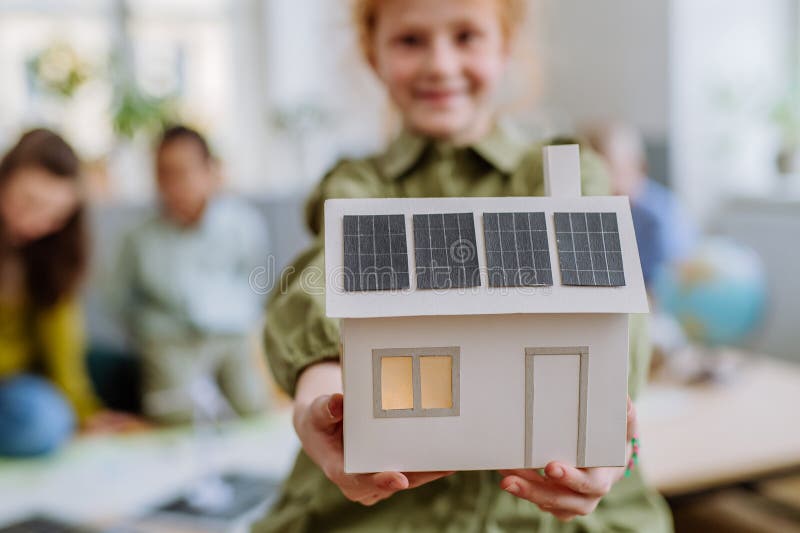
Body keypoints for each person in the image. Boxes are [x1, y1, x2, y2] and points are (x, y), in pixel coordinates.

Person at [253, 0, 673, 531]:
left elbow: (613, 305)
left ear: (506, 45)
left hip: (544, 512)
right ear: (372, 50)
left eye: (466, 36)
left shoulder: (562, 178)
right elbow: (320, 281)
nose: (440, 65)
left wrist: (611, 437)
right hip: (379, 512)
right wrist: (318, 390)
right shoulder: (358, 188)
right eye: (411, 40)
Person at [119, 125, 268, 425]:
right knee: (176, 415)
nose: (173, 184)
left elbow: (257, 283)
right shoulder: (138, 238)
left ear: (210, 172)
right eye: (164, 174)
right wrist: (151, 335)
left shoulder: (243, 225)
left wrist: (238, 320)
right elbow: (123, 301)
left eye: (183, 171)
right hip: (169, 340)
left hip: (231, 335)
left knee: (253, 408)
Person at [0, 129, 108, 457]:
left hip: (13, 385)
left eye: (54, 216)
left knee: (45, 420)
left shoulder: (52, 253)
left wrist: (85, 414)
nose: (35, 222)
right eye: (29, 202)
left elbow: (63, 344)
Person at [582, 121, 698, 286]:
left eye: (610, 168)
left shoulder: (661, 216)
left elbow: (672, 283)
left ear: (638, 165)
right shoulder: (595, 213)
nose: (601, 182)